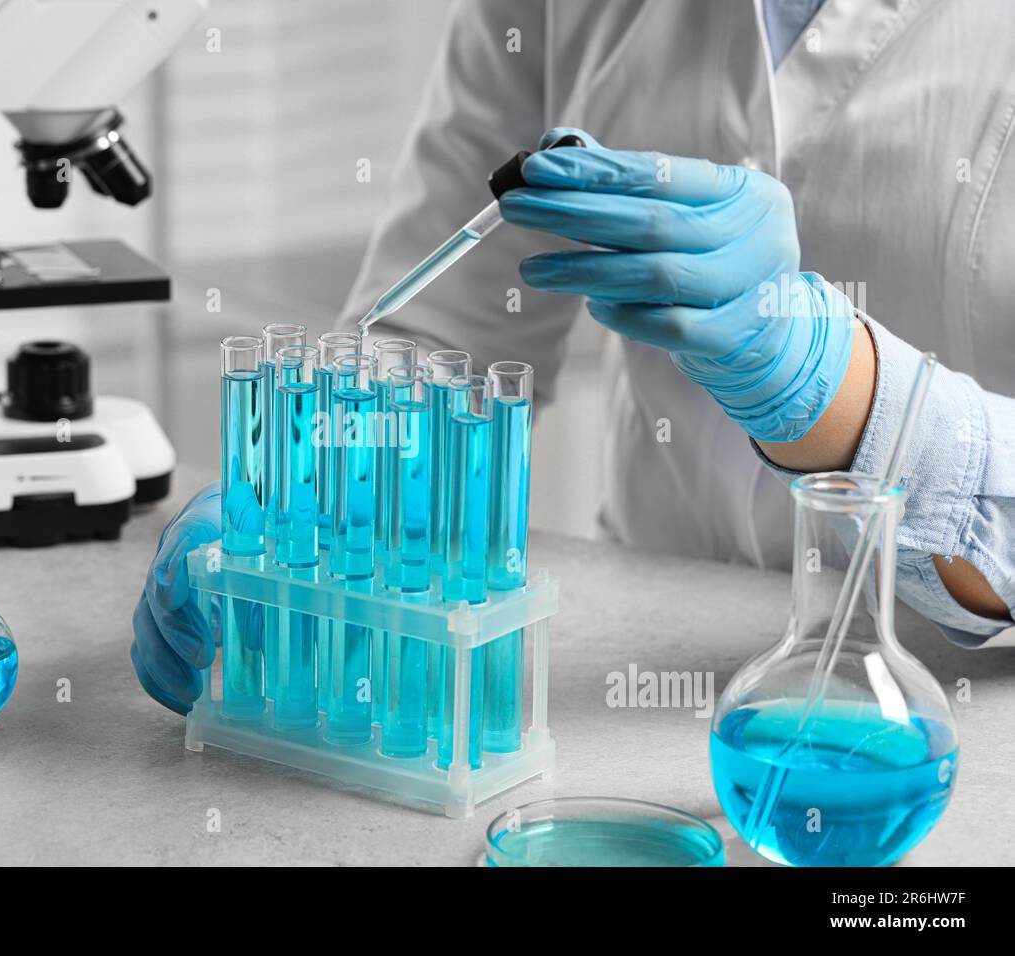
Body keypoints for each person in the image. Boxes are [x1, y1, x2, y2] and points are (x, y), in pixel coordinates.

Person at [133, 0, 1014, 715]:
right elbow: (450, 327)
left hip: (946, 722)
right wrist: (321, 480)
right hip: (628, 680)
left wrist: (829, 383)